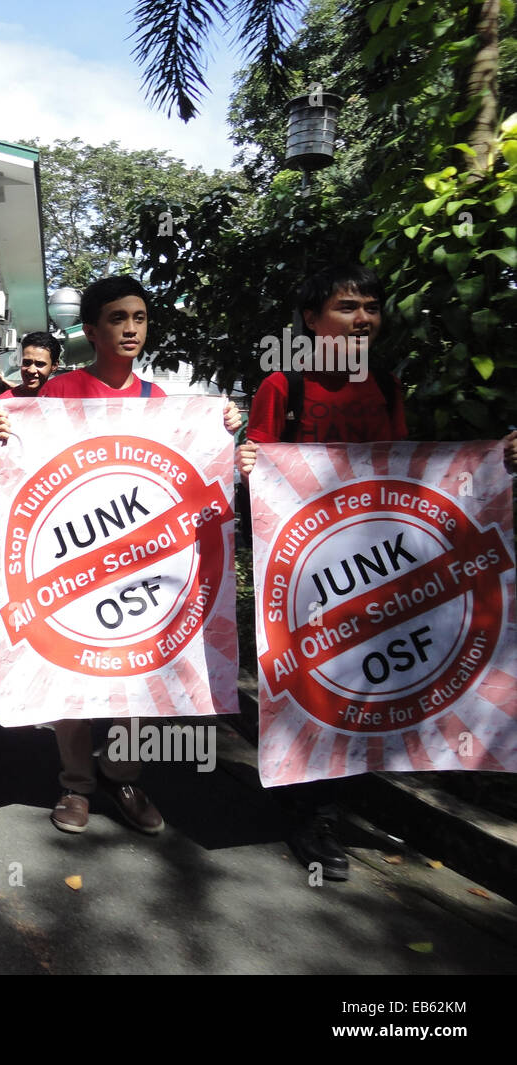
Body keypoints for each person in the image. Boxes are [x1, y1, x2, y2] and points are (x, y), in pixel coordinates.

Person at [237, 263, 517, 880]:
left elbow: (402, 474)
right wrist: (247, 458)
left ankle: (329, 803)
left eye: (371, 306)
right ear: (311, 320)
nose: (363, 318)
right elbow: (254, 474)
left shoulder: (387, 388)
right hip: (309, 574)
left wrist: (498, 460)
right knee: (319, 683)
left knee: (369, 681)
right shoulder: (285, 386)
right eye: (347, 307)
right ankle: (308, 815)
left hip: (375, 565)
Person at [0, 275, 241, 837]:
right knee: (72, 665)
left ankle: (123, 776)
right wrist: (3, 429)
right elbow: (25, 466)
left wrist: (222, 432)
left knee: (135, 673)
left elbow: (184, 474)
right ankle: (76, 784)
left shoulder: (158, 401)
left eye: (140, 318)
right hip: (72, 559)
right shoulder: (58, 393)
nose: (131, 329)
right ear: (92, 328)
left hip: (138, 563)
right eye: (117, 318)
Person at [10, 331, 61, 396]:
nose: (31, 370)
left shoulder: (63, 402)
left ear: (54, 366)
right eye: (26, 363)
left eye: (39, 364)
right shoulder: (3, 403)